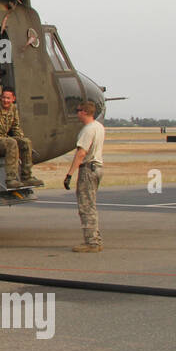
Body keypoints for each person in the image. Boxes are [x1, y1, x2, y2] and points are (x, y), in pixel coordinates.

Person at [0, 88, 43, 189]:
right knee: (11, 143)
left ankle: (27, 177)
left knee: (26, 142)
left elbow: (16, 127)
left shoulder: (13, 109)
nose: (5, 100)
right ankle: (11, 179)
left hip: (3, 138)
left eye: (8, 98)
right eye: (3, 98)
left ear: (13, 99)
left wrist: (21, 140)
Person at [63, 99, 105, 252]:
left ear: (85, 112)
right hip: (98, 167)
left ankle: (91, 242)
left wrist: (69, 174)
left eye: (79, 111)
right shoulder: (99, 127)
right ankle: (95, 238)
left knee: (86, 206)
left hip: (88, 168)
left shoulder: (88, 129)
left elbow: (81, 153)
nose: (77, 113)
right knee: (91, 204)